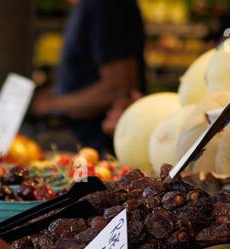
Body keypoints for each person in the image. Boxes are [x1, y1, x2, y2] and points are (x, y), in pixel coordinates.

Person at [30, 0, 145, 153]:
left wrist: (49, 105)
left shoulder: (105, 5)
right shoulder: (84, 6)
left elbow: (118, 87)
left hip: (96, 145)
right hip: (80, 140)